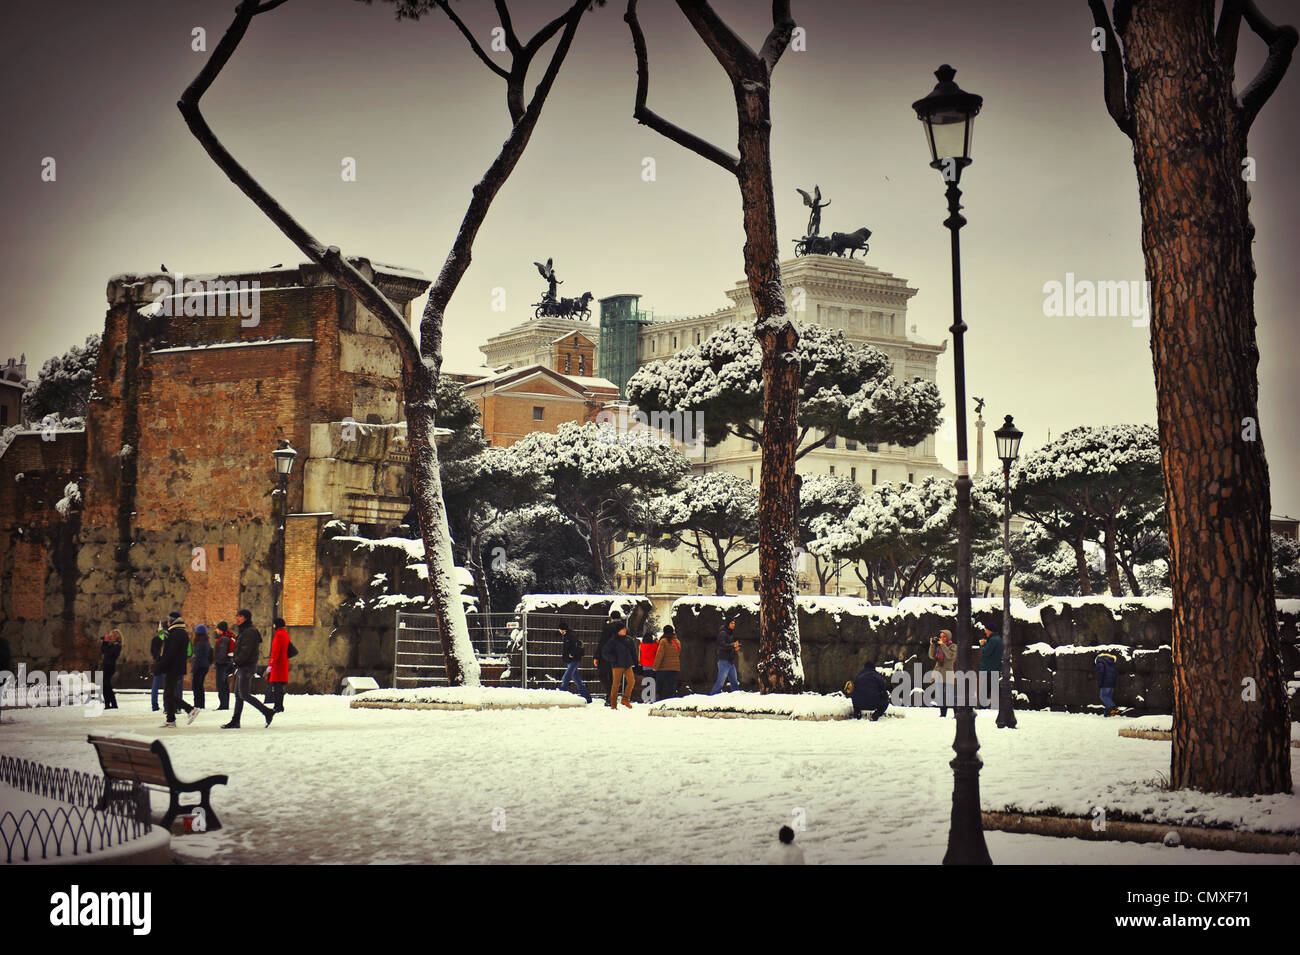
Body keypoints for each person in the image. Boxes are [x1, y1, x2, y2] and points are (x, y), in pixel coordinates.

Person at [222, 609, 274, 729]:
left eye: (240, 616)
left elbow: (246, 651)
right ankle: (235, 720)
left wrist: (235, 662)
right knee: (238, 694)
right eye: (237, 616)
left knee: (244, 694)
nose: (237, 618)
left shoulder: (249, 632)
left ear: (245, 618)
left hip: (247, 666)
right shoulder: (244, 630)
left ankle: (267, 712)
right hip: (242, 665)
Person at [156, 611, 197, 727]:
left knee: (169, 694)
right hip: (175, 667)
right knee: (168, 693)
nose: (167, 622)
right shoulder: (178, 632)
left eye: (169, 620)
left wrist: (160, 665)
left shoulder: (177, 634)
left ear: (172, 620)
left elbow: (170, 653)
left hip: (173, 667)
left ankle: (190, 710)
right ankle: (171, 719)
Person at [604, 623, 638, 710]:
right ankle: (613, 704)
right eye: (622, 629)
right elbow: (605, 652)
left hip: (627, 664)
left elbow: (633, 651)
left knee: (631, 681)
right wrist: (613, 659)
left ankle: (625, 699)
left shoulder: (629, 639)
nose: (624, 630)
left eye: (624, 629)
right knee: (615, 685)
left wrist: (635, 662)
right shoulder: (612, 640)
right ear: (618, 631)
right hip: (617, 665)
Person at [557, 624, 592, 703]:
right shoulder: (568, 635)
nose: (559, 631)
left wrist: (572, 653)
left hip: (574, 659)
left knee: (566, 678)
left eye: (559, 629)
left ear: (563, 629)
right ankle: (587, 698)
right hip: (571, 659)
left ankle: (560, 695)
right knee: (577, 680)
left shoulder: (571, 635)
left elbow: (577, 646)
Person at [594, 610, 622, 703]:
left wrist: (596, 656)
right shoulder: (624, 629)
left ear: (611, 618)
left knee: (602, 675)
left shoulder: (608, 628)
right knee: (613, 677)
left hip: (606, 656)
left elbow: (602, 642)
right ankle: (611, 696)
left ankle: (610, 695)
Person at [928, 630, 957, 717]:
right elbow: (931, 656)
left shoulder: (953, 646)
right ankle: (943, 714)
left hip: (948, 673)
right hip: (938, 672)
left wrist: (942, 645)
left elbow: (950, 656)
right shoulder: (939, 646)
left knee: (950, 695)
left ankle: (956, 713)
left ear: (948, 637)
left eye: (944, 636)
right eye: (941, 636)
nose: (942, 638)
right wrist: (932, 645)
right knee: (940, 695)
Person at [710, 617, 742, 694]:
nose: (734, 625)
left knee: (734, 682)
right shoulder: (723, 633)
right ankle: (711, 697)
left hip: (730, 661)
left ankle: (736, 697)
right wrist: (733, 645)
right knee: (720, 683)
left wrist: (735, 648)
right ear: (728, 624)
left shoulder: (730, 633)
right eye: (732, 623)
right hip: (724, 661)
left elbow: (728, 647)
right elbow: (721, 646)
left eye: (734, 623)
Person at [266, 617, 290, 713]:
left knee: (277, 686)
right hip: (283, 662)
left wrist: (271, 664)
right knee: (279, 686)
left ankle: (278, 706)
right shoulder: (284, 634)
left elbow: (275, 651)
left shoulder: (278, 635)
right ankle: (279, 705)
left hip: (277, 664)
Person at [652, 624, 681, 701]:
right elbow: (678, 653)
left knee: (660, 685)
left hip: (663, 668)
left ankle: (659, 700)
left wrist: (655, 667)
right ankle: (671, 701)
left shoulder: (663, 641)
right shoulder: (677, 641)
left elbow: (659, 655)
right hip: (675, 668)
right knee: (672, 686)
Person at [213, 620, 237, 710]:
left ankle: (223, 705)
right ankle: (224, 704)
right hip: (227, 663)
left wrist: (218, 662)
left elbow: (222, 653)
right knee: (225, 685)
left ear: (220, 629)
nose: (216, 630)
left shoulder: (223, 639)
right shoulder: (229, 637)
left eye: (217, 629)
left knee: (221, 685)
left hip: (222, 665)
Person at [977, 623, 1003, 708]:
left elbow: (985, 652)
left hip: (988, 668)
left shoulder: (993, 640)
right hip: (995, 667)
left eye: (986, 629)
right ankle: (1002, 705)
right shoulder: (997, 639)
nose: (985, 631)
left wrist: (982, 645)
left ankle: (982, 706)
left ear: (990, 630)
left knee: (986, 688)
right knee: (994, 687)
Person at [190, 625, 211, 710]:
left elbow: (197, 658)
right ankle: (201, 704)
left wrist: (193, 670)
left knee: (196, 686)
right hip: (205, 666)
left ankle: (197, 705)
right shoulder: (207, 642)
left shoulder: (199, 644)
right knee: (200, 686)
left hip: (199, 667)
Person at [99, 629, 122, 709]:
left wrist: (106, 642)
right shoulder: (112, 644)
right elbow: (103, 650)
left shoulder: (117, 645)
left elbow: (108, 653)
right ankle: (111, 703)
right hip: (107, 666)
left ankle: (109, 704)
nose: (110, 637)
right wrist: (105, 642)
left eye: (111, 636)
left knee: (106, 685)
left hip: (110, 667)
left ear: (116, 636)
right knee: (107, 686)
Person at [1095, 651, 1119, 716]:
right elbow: (1116, 673)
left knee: (1103, 696)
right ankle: (1108, 713)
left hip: (1105, 683)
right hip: (1112, 683)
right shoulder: (1111, 661)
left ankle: (1113, 707)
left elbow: (1101, 672)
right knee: (1108, 697)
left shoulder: (1100, 660)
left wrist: (1100, 683)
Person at [149, 620, 166, 711]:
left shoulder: (155, 639)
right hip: (165, 664)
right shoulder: (167, 638)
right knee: (166, 687)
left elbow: (152, 651)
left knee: (155, 686)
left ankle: (154, 705)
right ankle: (166, 705)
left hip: (157, 663)